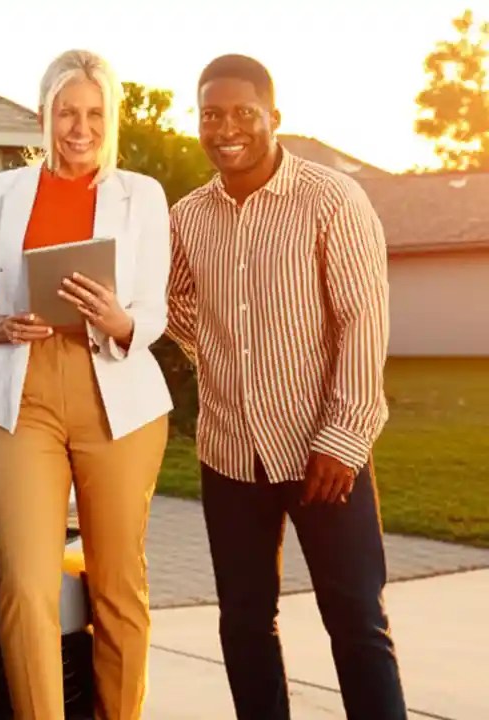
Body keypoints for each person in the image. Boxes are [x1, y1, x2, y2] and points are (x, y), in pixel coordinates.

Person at [166, 53, 407, 720]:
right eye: (211, 115)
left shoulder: (333, 200)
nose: (227, 128)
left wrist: (344, 438)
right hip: (231, 455)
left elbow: (364, 319)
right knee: (244, 624)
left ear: (275, 117)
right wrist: (215, 352)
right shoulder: (188, 216)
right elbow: (174, 301)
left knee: (356, 620)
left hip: (324, 456)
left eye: (244, 112)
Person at [0, 49, 174, 720]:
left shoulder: (141, 196)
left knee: (117, 585)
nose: (81, 127)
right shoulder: (2, 193)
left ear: (112, 118)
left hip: (117, 398)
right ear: (43, 114)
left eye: (96, 113)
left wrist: (119, 320)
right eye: (67, 112)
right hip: (24, 398)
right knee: (25, 585)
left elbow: (154, 310)